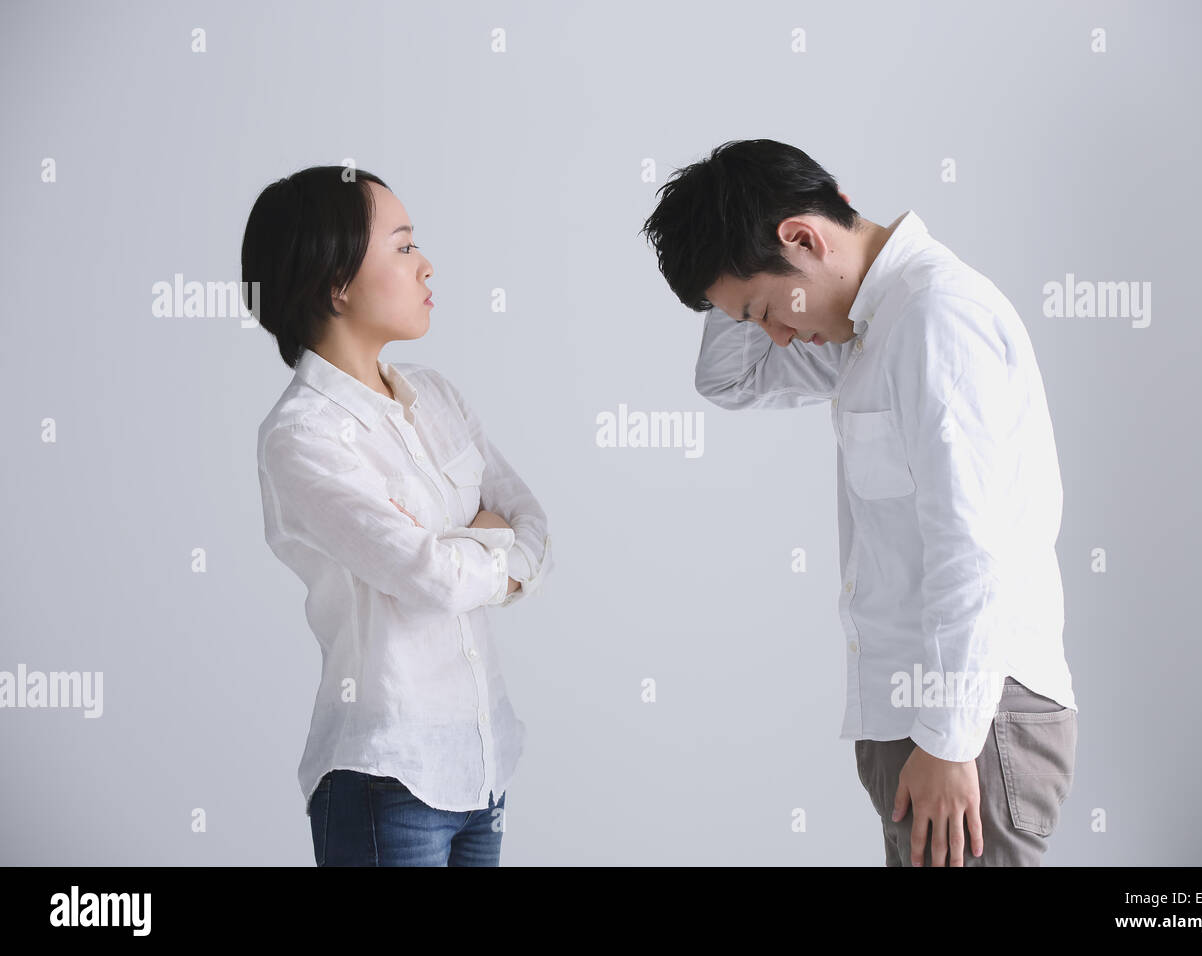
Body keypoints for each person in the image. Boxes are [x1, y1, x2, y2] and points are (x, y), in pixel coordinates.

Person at [640, 139, 1077, 866]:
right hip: (927, 719)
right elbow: (728, 380)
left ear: (804, 239)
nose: (776, 335)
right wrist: (733, 267)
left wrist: (945, 740)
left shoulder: (934, 318)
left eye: (764, 310)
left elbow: (973, 549)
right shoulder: (865, 331)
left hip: (970, 725)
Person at [242, 166, 553, 866]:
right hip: (388, 778)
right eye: (404, 247)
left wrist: (467, 551)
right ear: (336, 282)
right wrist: (487, 547)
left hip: (482, 764)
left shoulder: (438, 395)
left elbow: (533, 524)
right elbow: (431, 579)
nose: (427, 265)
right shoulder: (303, 436)